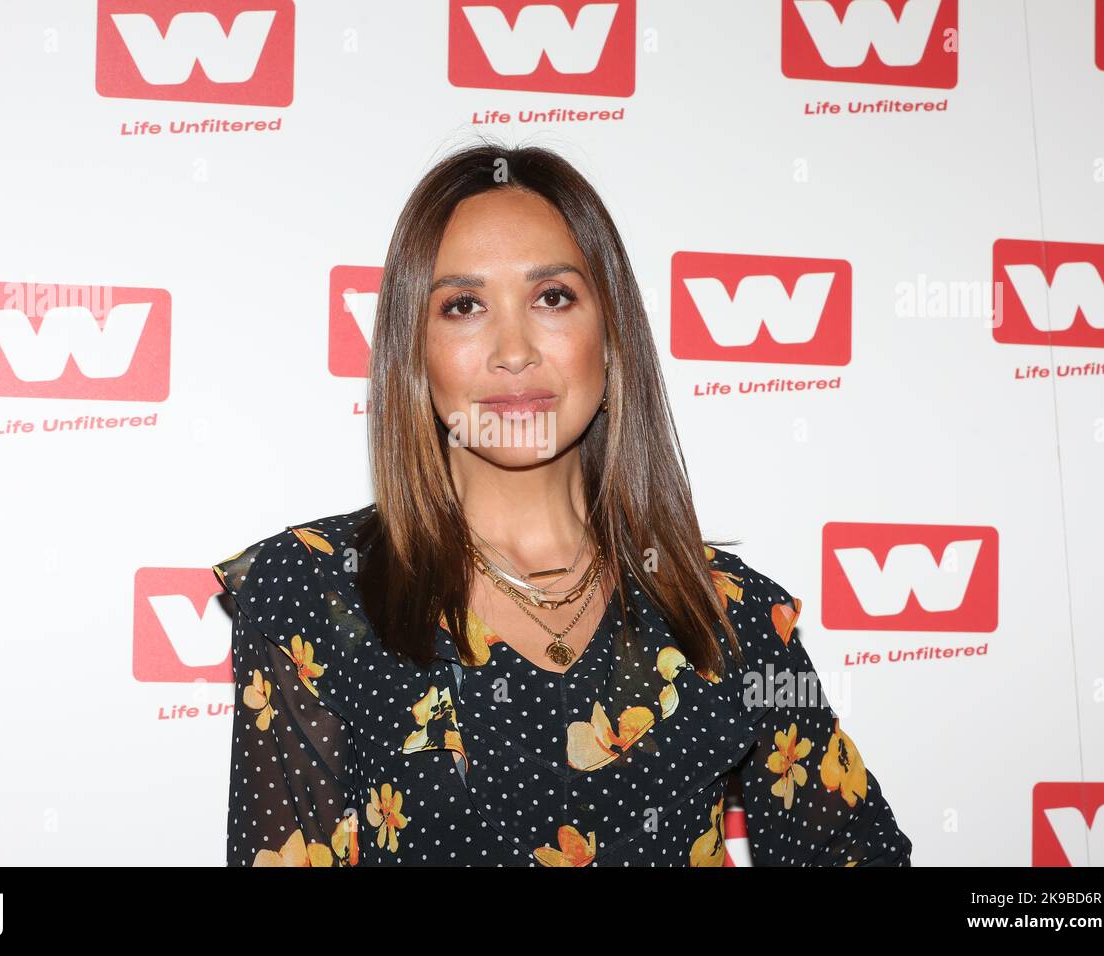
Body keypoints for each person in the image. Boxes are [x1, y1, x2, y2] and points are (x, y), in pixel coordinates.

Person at [213, 142, 913, 867]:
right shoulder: (314, 592)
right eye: (463, 306)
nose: (514, 350)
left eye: (552, 298)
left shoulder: (730, 615)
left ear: (610, 338)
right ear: (412, 353)